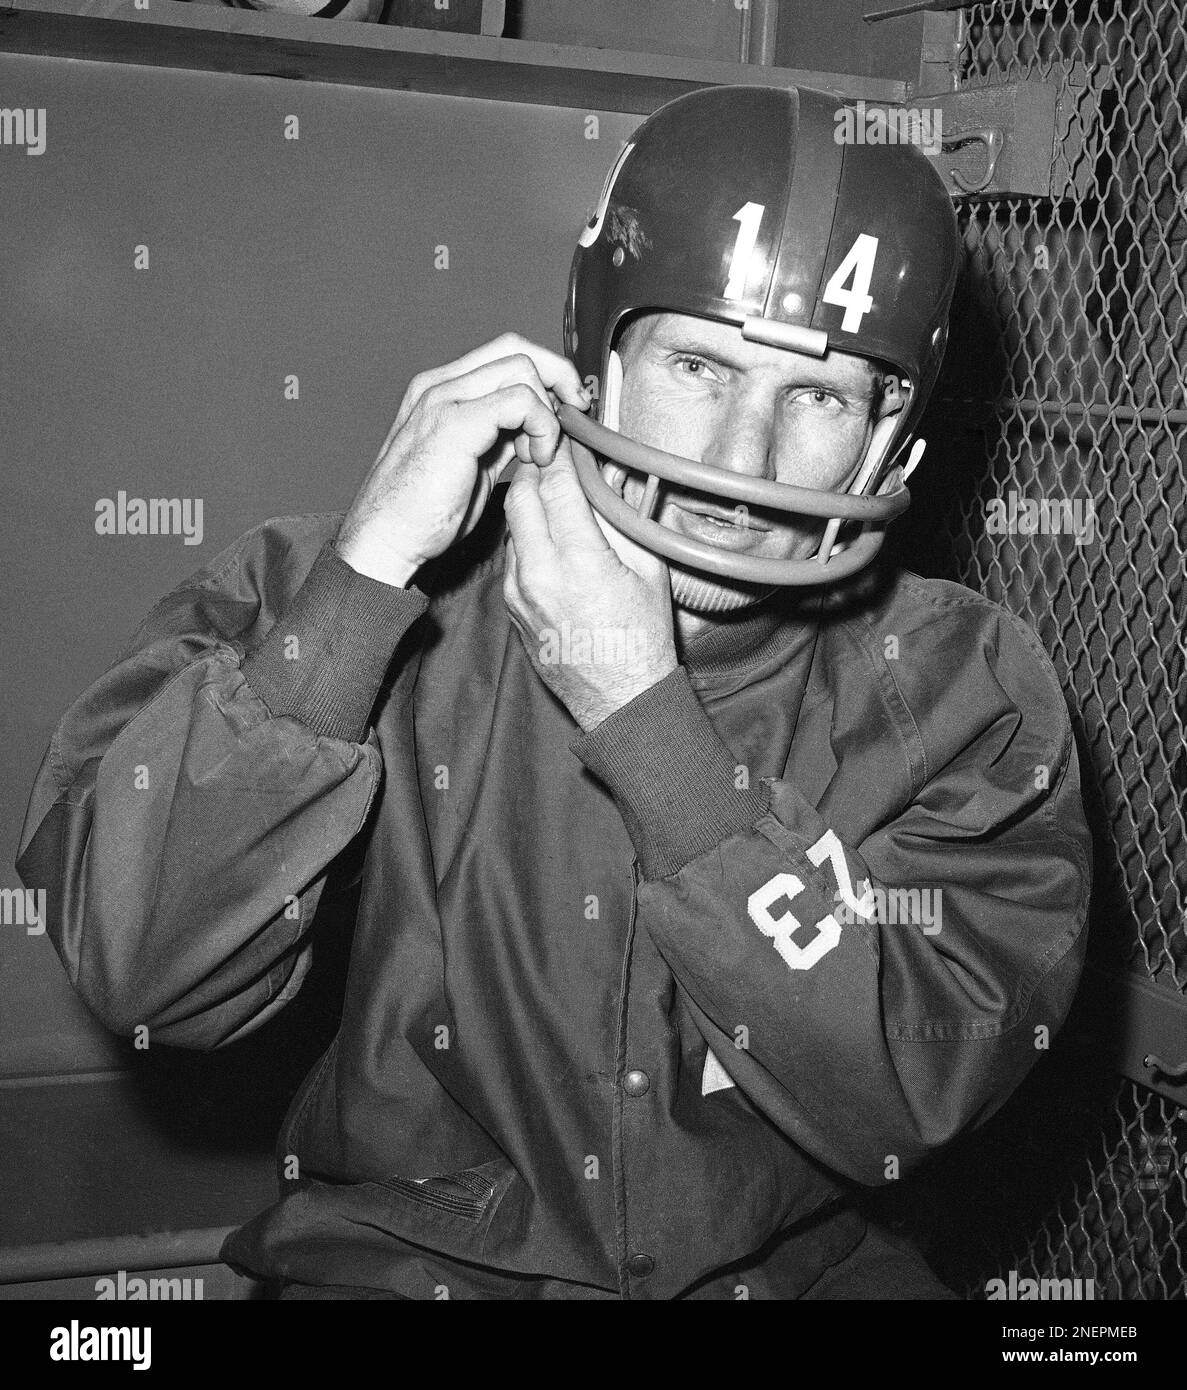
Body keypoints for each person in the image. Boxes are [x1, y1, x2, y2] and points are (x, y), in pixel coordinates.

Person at [18, 84, 1091, 1300]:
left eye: (818, 395)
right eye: (696, 363)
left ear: (892, 441)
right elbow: (143, 969)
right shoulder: (337, 592)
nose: (736, 469)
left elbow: (910, 1084)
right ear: (596, 361)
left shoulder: (961, 686)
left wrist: (646, 723)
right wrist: (360, 587)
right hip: (405, 1270)